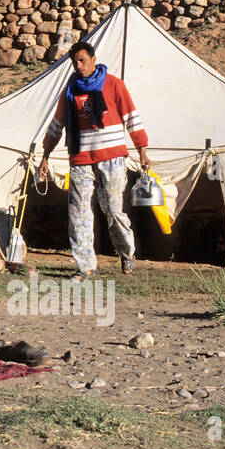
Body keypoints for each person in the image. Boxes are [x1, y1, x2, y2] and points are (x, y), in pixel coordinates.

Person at [37, 40, 151, 279]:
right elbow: (57, 125)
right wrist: (45, 156)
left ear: (93, 60)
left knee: (112, 210)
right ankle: (85, 266)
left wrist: (142, 149)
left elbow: (132, 118)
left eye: (83, 61)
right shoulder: (70, 90)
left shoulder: (113, 85)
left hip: (112, 159)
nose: (79, 66)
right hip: (80, 159)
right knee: (78, 213)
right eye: (75, 62)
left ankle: (127, 253)